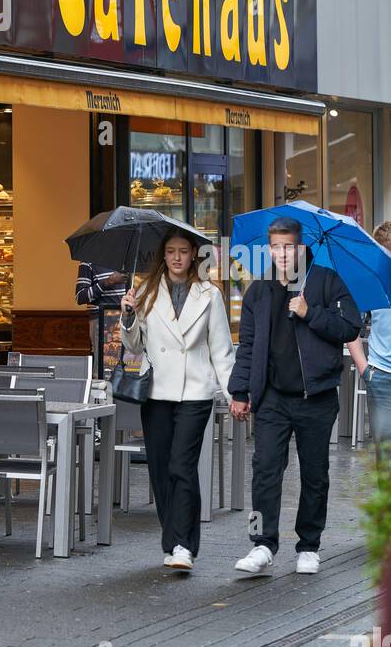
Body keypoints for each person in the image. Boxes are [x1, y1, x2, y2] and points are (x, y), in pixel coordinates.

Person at [228, 216, 362, 576]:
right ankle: (261, 543)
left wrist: (309, 313)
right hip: (273, 397)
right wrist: (239, 389)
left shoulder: (327, 281)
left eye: (289, 246)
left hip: (316, 397)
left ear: (302, 247)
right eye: (276, 247)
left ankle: (309, 545)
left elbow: (350, 326)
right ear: (269, 248)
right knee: (264, 471)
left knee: (315, 474)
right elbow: (248, 345)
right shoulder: (261, 289)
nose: (283, 254)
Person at [120, 229, 235, 572]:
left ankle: (183, 545)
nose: (176, 258)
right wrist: (127, 316)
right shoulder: (145, 292)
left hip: (194, 392)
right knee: (159, 467)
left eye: (183, 251)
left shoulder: (210, 296)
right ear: (163, 255)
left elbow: (222, 351)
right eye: (170, 251)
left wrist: (233, 395)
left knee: (181, 467)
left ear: (193, 256)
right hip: (156, 392)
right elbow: (134, 347)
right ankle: (174, 540)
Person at [347, 221, 391, 452]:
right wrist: (365, 368)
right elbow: (351, 327)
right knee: (385, 452)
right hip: (381, 375)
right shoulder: (370, 283)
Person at [75, 262, 127, 377]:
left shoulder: (130, 258)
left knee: (130, 369)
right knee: (104, 372)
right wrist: (109, 281)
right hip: (103, 322)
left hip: (130, 321)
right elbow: (80, 297)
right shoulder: (88, 260)